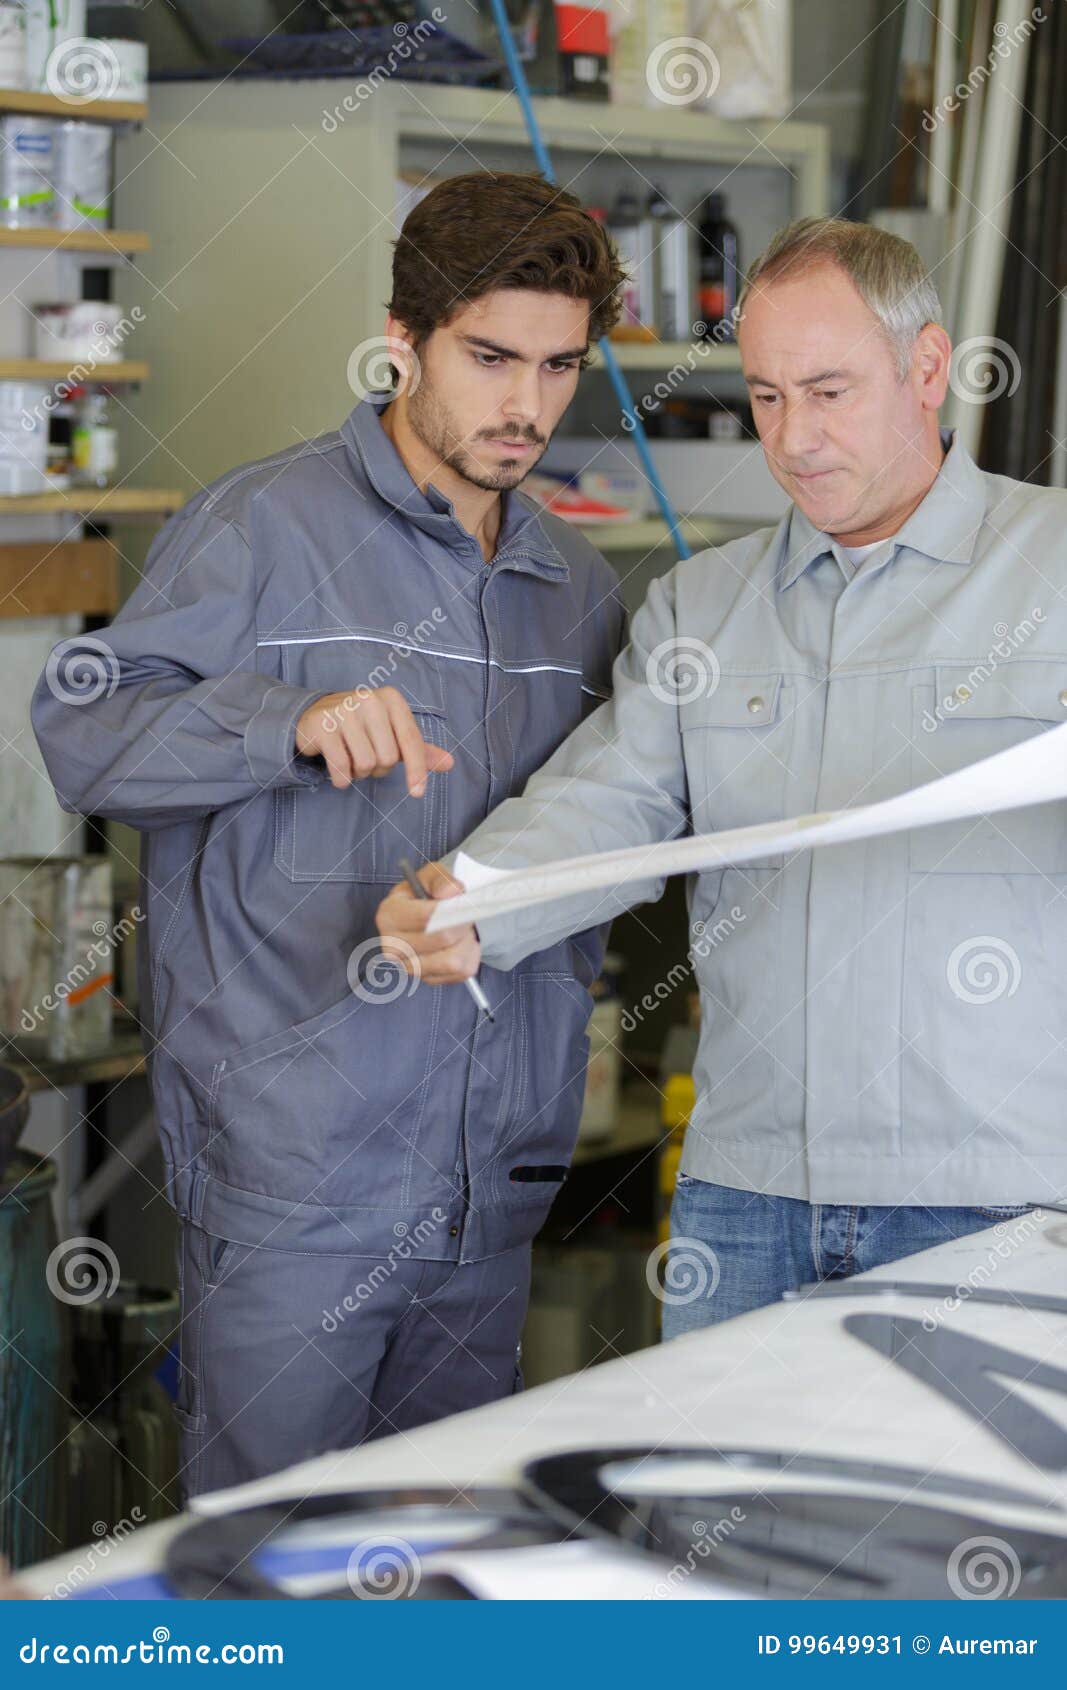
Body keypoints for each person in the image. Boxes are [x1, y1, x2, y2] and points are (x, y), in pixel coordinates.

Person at [31, 171, 627, 1496]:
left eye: (554, 366)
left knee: (436, 1569)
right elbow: (82, 731)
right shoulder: (259, 525)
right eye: (486, 358)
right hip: (292, 1192)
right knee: (264, 1580)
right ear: (402, 337)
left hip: (489, 1190)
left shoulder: (570, 588)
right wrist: (282, 721)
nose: (522, 406)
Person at [377, 215, 1063, 1338]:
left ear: (927, 368)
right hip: (748, 1198)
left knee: (962, 1523)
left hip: (1001, 1194)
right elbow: (611, 802)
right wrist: (472, 895)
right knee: (722, 1518)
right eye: (767, 395)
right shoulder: (706, 606)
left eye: (829, 390)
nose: (791, 438)